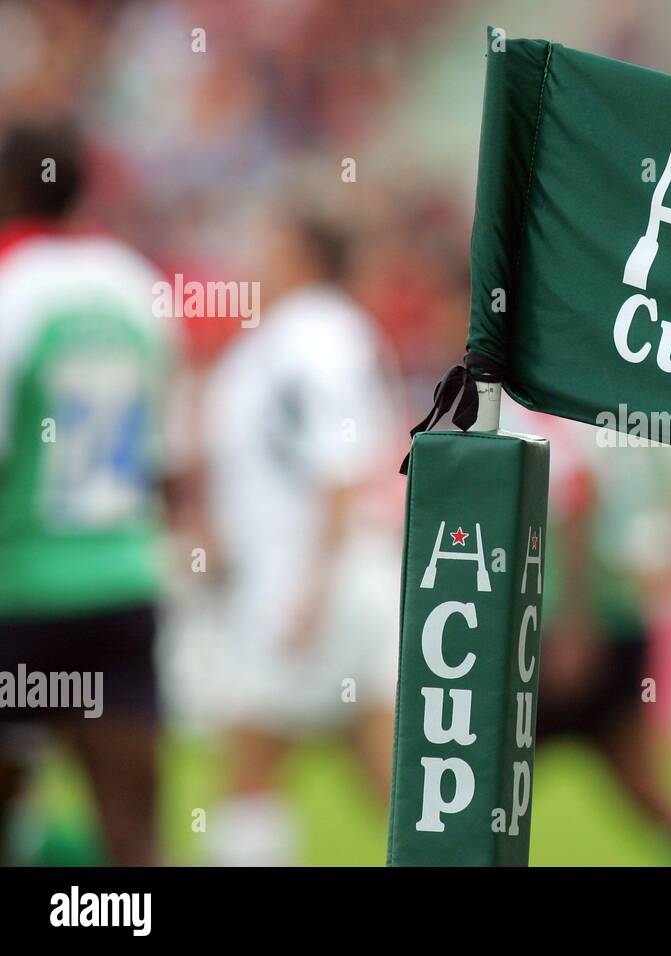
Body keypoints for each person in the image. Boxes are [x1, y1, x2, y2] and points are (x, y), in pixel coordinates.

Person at [201, 211, 403, 865]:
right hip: (346, 563)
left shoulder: (309, 334)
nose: (255, 255)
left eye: (269, 241)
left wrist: (311, 586)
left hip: (310, 567)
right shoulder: (330, 330)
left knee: (250, 763)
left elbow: (336, 465)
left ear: (303, 252)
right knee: (385, 769)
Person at [0, 122, 175, 865]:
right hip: (122, 582)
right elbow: (162, 448)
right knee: (131, 838)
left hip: (24, 590)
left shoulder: (14, 288)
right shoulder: (135, 285)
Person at [501, 400, 671, 865]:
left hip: (570, 630)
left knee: (488, 778)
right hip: (610, 621)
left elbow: (578, 497)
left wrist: (574, 622)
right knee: (644, 788)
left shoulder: (544, 410)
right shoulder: (608, 417)